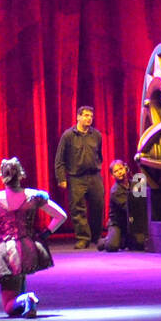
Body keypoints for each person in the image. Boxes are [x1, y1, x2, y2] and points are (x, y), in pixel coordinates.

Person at [0, 158, 67, 318]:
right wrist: (46, 233)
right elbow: (61, 216)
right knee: (20, 279)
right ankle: (24, 302)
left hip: (7, 250)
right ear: (21, 175)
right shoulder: (32, 197)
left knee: (8, 307)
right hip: (28, 246)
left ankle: (27, 299)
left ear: (2, 176)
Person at [54, 105, 103, 249]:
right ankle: (83, 237)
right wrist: (61, 178)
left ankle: (96, 236)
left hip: (94, 176)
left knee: (98, 206)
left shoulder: (96, 135)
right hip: (76, 178)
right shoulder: (68, 135)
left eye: (91, 116)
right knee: (78, 209)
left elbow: (99, 154)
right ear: (78, 117)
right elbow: (60, 159)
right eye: (86, 115)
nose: (89, 118)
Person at [96, 159, 133, 252]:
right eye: (116, 171)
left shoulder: (134, 184)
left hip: (130, 222)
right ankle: (105, 241)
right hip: (117, 223)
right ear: (112, 176)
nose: (120, 172)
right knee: (112, 246)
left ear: (125, 168)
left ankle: (124, 240)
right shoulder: (115, 191)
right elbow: (127, 208)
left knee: (138, 244)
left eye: (121, 168)